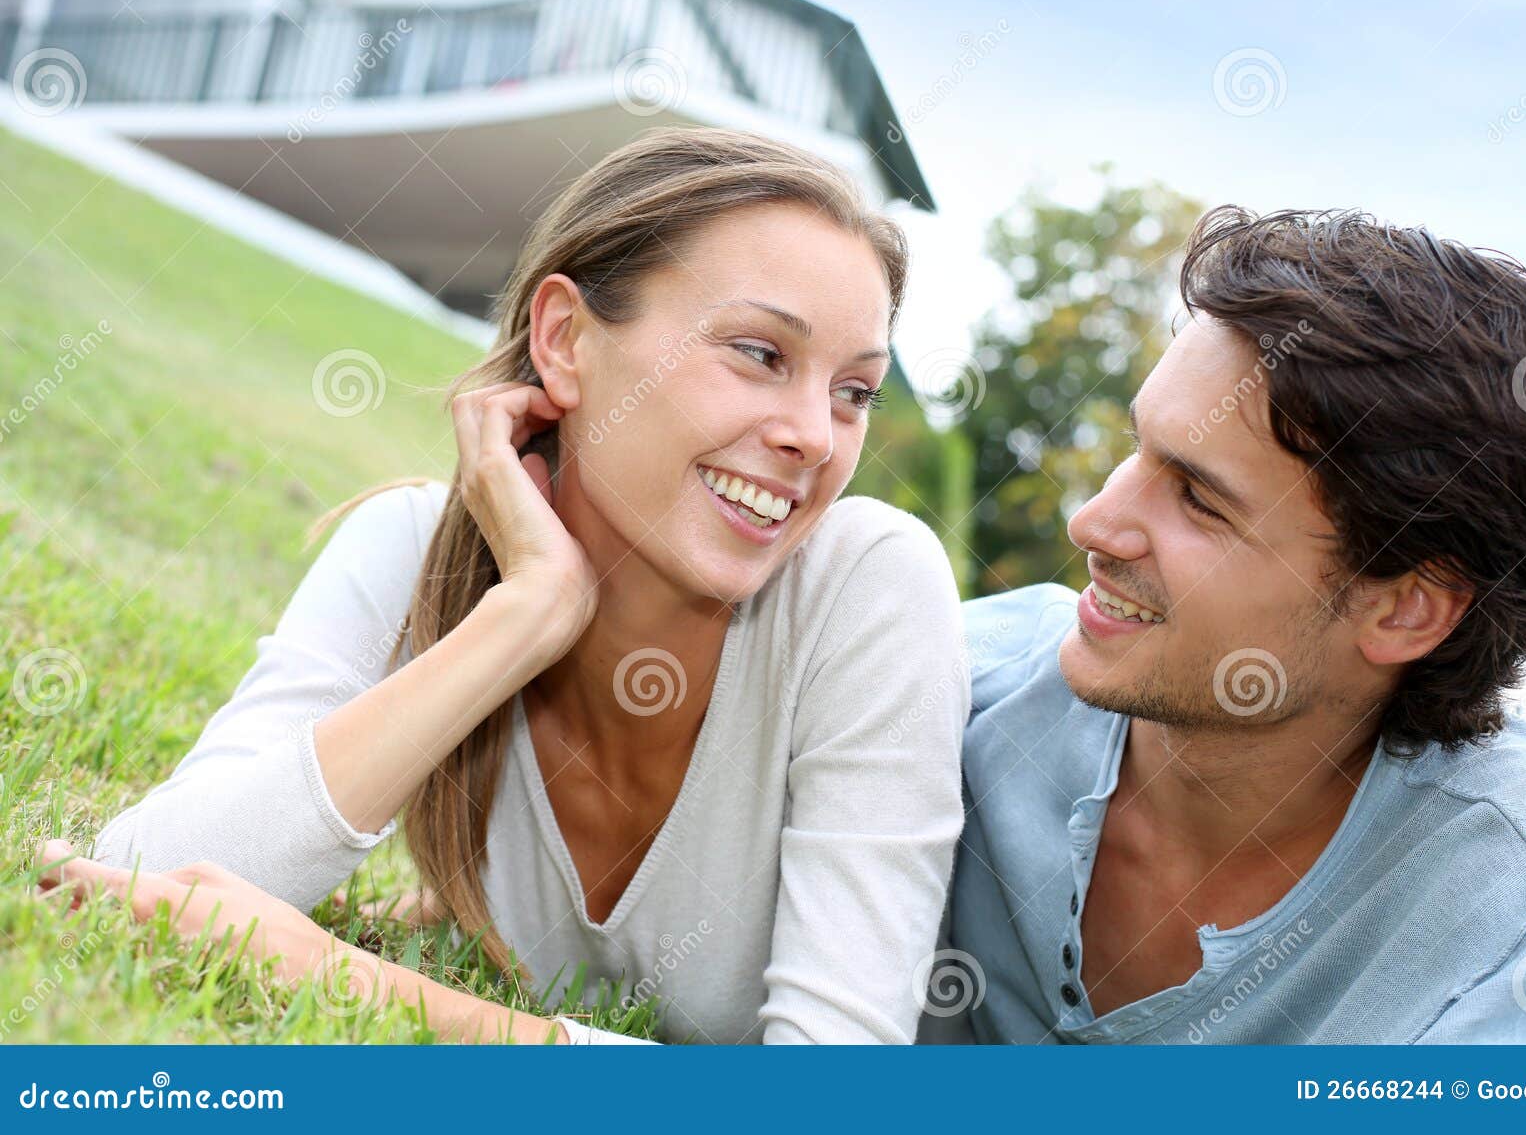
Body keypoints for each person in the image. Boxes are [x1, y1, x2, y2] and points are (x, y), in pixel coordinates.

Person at [36, 127, 968, 1045]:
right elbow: (141, 878)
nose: (817, 434)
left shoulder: (868, 588)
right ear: (564, 339)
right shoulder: (410, 544)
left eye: (855, 391)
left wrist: (362, 985)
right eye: (760, 353)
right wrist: (525, 614)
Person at [931, 206, 1526, 1043]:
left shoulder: (1512, 917)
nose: (1095, 523)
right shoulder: (939, 688)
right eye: (1137, 450)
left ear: (1405, 608)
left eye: (1200, 499)